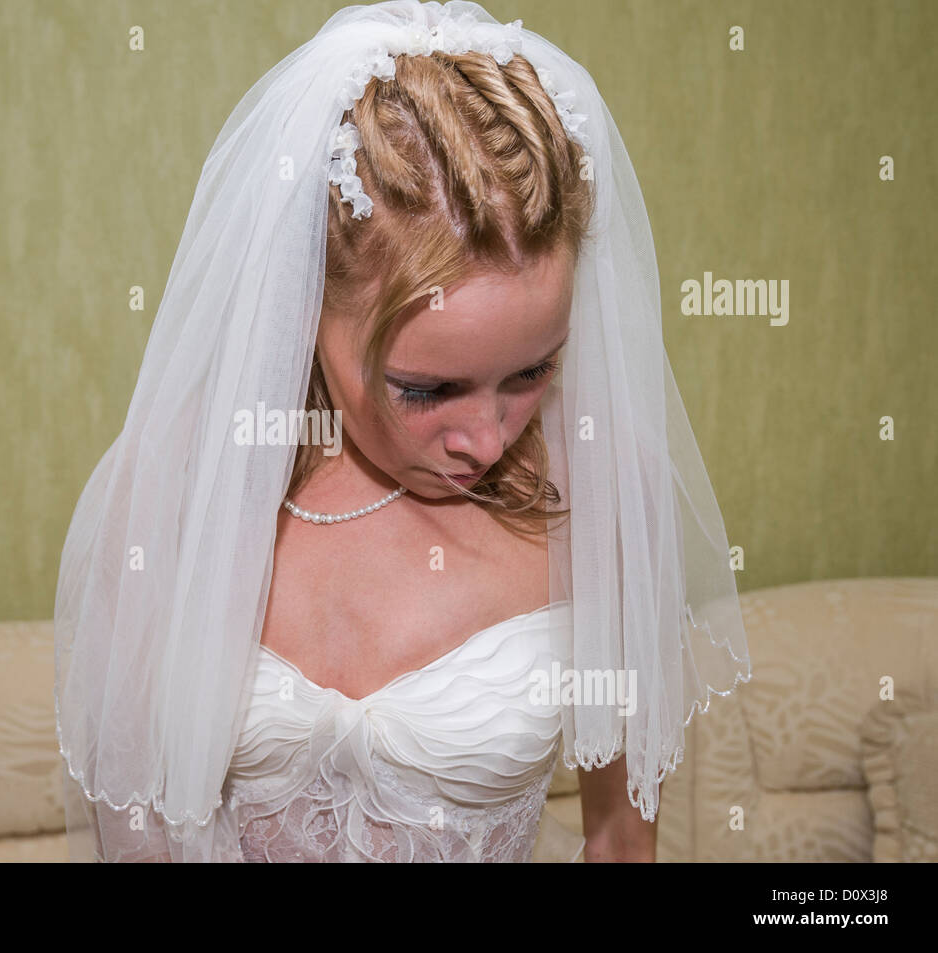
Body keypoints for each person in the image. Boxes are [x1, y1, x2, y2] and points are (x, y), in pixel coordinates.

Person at [55, 0, 752, 862]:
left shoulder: (609, 485)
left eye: (533, 371)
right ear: (307, 305)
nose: (489, 439)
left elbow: (619, 838)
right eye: (427, 387)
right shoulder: (173, 487)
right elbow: (136, 838)